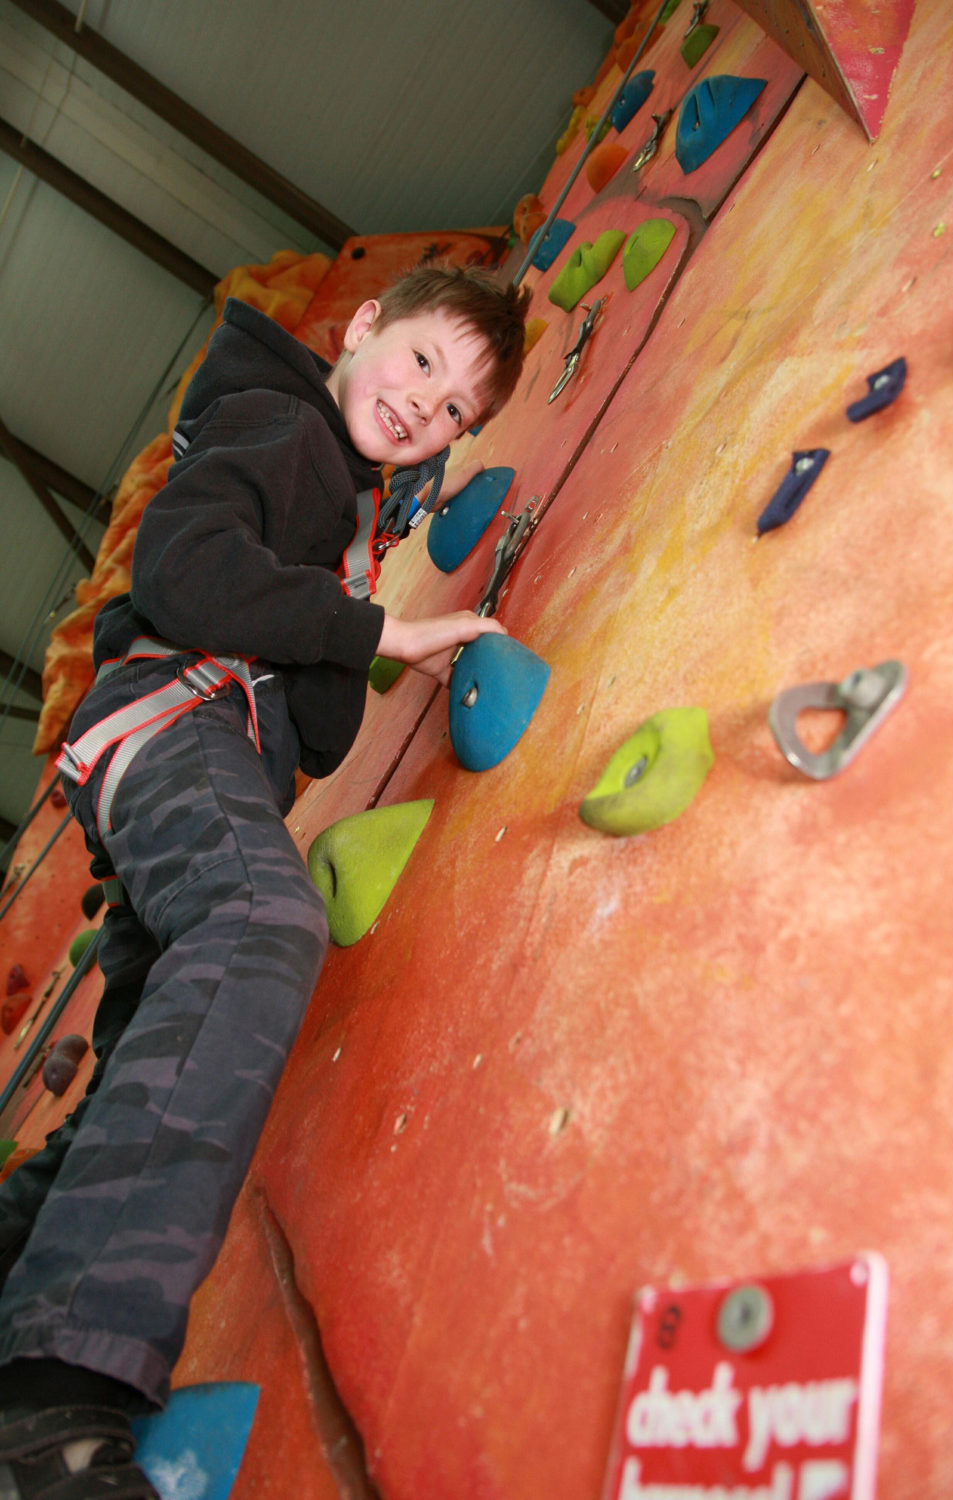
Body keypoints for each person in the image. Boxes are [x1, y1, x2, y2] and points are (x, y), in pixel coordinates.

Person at [0, 263, 531, 1498]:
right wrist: (372, 629)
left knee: (131, 1081)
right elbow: (184, 574)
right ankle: (50, 1406)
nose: (422, 407)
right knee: (257, 920)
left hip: (194, 760)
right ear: (361, 330)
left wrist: (357, 591)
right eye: (416, 362)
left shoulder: (342, 488)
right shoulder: (281, 422)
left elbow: (317, 712)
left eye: (454, 407)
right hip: (173, 733)